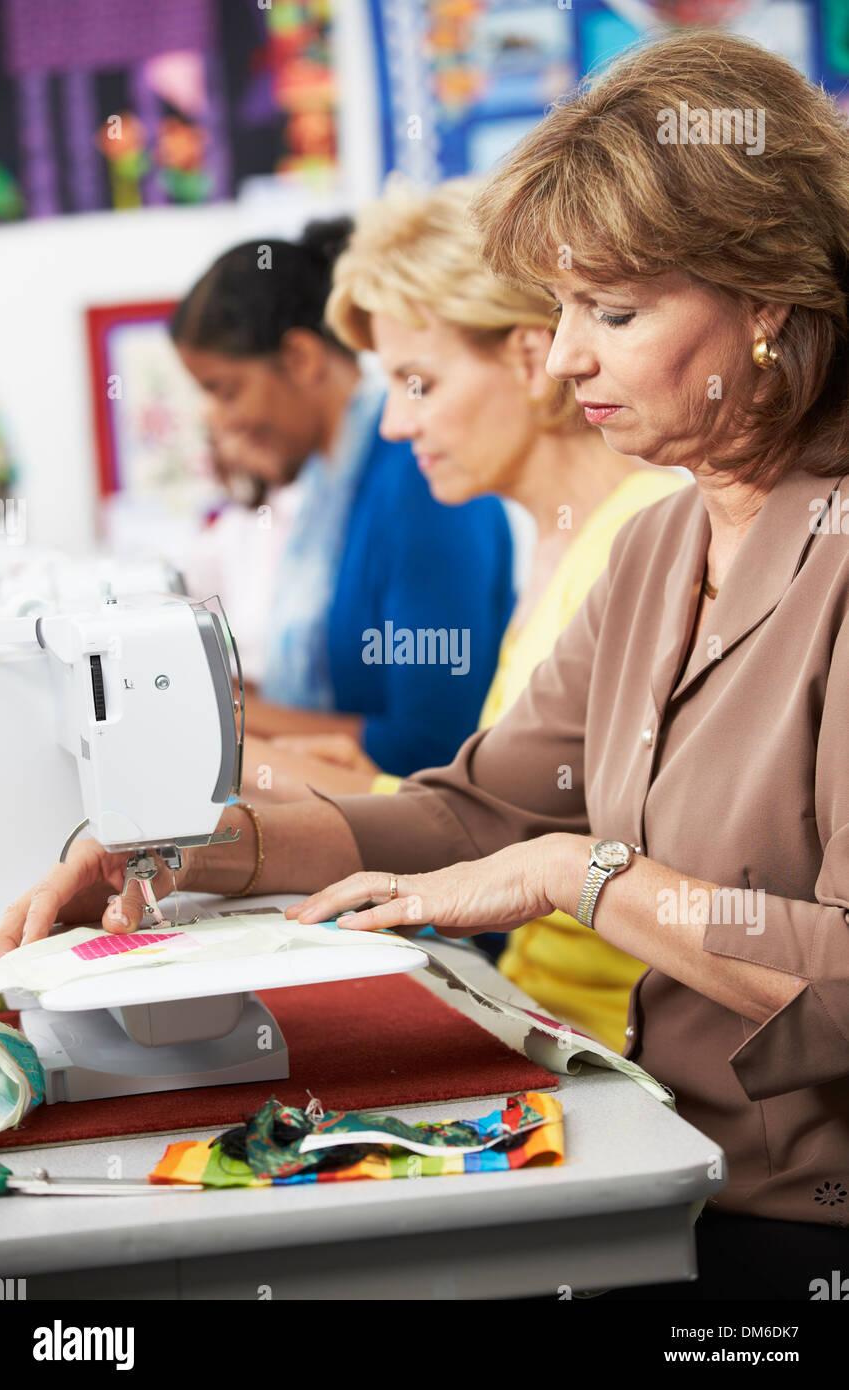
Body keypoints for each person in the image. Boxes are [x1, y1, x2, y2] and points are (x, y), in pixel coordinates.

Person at [0, 31, 849, 1298]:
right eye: (560, 311)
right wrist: (188, 845)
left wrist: (581, 873)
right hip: (660, 1148)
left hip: (793, 1227)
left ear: (767, 300)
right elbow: (474, 809)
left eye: (609, 312)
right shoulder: (665, 541)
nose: (559, 358)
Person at [246, 177, 687, 1047]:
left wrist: (251, 768)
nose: (394, 428)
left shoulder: (633, 542)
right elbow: (522, 807)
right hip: (533, 1003)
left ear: (529, 361)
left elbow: (502, 837)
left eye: (419, 383)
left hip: (611, 1040)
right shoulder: (562, 544)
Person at [172, 221, 514, 774]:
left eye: (226, 390)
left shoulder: (422, 479)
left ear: (302, 358)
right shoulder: (329, 487)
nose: (220, 421)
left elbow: (431, 742)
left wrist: (230, 712)